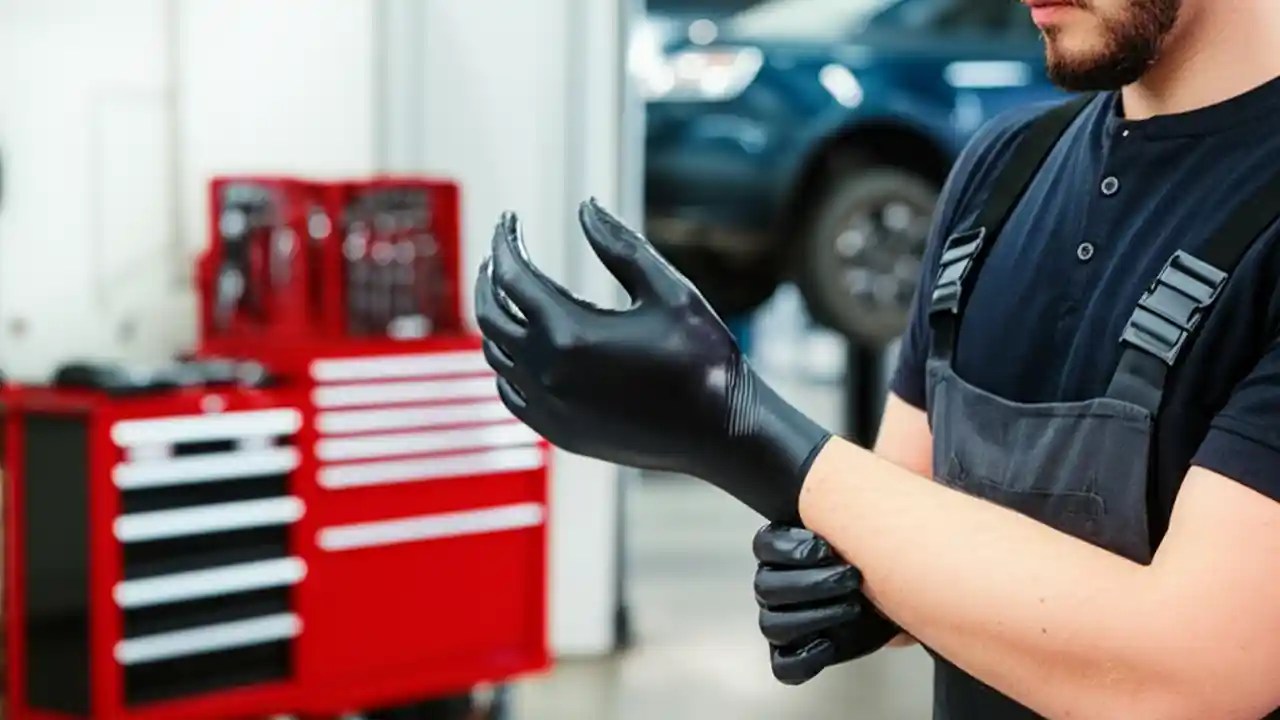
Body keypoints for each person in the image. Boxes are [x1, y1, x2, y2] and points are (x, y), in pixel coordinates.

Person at [473, 0, 1280, 716]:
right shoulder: (1000, 171)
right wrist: (868, 592)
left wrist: (740, 428)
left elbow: (1191, 673)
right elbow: (907, 494)